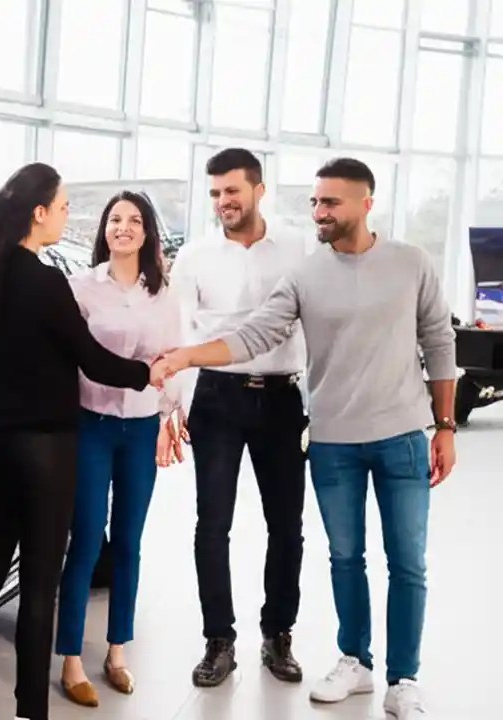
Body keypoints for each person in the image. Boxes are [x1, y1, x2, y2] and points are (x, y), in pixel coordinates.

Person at [153, 157, 457, 720]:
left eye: (331, 202)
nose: (320, 211)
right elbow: (255, 333)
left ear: (367, 203)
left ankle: (403, 677)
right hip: (331, 437)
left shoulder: (409, 262)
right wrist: (186, 362)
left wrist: (445, 426)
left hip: (397, 433)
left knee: (407, 562)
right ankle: (353, 661)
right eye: (316, 202)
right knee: (344, 556)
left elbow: (440, 341)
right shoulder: (306, 272)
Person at [0, 163, 163, 720]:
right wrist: (149, 374)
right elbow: (90, 359)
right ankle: (28, 710)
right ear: (38, 213)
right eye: (64, 206)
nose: (69, 216)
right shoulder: (46, 281)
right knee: (41, 582)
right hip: (46, 448)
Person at [166, 148, 312, 687]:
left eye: (231, 191)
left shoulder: (298, 247)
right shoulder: (197, 256)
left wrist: (317, 401)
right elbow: (182, 334)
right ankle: (218, 640)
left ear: (258, 190)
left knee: (287, 527)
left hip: (281, 399)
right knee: (213, 525)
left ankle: (278, 635)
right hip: (217, 400)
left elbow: (318, 323)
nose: (223, 202)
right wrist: (173, 406)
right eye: (215, 194)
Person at [54, 191, 187, 708]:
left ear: (148, 231)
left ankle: (116, 652)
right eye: (115, 219)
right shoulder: (82, 287)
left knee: (128, 541)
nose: (123, 227)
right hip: (92, 424)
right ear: (104, 230)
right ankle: (70, 659)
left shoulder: (165, 294)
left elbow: (173, 359)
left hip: (140, 428)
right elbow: (68, 356)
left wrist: (167, 416)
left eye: (134, 220)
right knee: (86, 538)